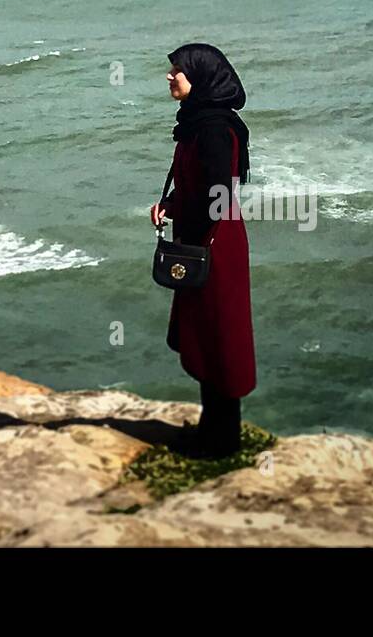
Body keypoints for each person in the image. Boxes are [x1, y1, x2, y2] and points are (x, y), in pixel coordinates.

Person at [149, 42, 256, 456]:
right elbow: (200, 185)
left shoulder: (213, 128)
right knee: (208, 335)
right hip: (205, 238)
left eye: (177, 70)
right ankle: (212, 431)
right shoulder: (198, 122)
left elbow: (216, 192)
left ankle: (222, 440)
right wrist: (171, 204)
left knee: (220, 338)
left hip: (214, 244)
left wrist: (182, 213)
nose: (170, 76)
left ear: (201, 77)